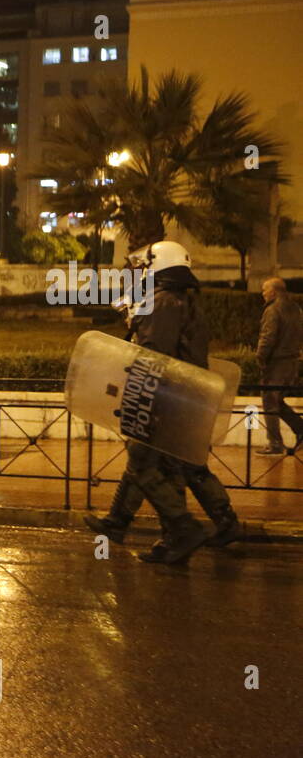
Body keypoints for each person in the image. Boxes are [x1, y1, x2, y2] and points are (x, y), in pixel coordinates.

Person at [83, 241, 233, 563]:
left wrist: (136, 327)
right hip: (180, 394)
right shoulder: (179, 299)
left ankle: (180, 528)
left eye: (144, 266)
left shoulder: (163, 302)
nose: (139, 272)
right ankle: (158, 537)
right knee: (167, 467)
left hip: (164, 396)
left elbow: (153, 354)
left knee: (143, 463)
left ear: (158, 265)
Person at [256, 276, 303, 455]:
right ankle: (301, 429)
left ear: (273, 291)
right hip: (292, 362)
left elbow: (268, 337)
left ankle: (275, 444)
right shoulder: (295, 308)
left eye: (264, 290)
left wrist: (260, 357)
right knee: (278, 402)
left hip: (276, 363)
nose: (263, 293)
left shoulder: (273, 310)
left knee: (270, 403)